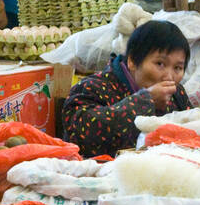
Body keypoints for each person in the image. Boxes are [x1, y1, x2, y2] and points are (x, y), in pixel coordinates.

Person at [60, 20, 192, 158]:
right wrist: (146, 100)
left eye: (178, 68)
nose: (169, 76)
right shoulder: (91, 88)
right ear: (132, 61)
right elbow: (84, 136)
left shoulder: (177, 94)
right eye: (160, 64)